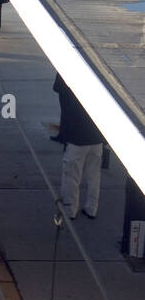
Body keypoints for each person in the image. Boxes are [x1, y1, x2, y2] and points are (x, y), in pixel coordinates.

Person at [53, 73, 103, 220]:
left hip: (77, 138)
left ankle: (70, 210)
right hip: (96, 137)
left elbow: (57, 87)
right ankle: (91, 209)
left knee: (71, 176)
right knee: (94, 175)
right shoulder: (98, 80)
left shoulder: (71, 78)